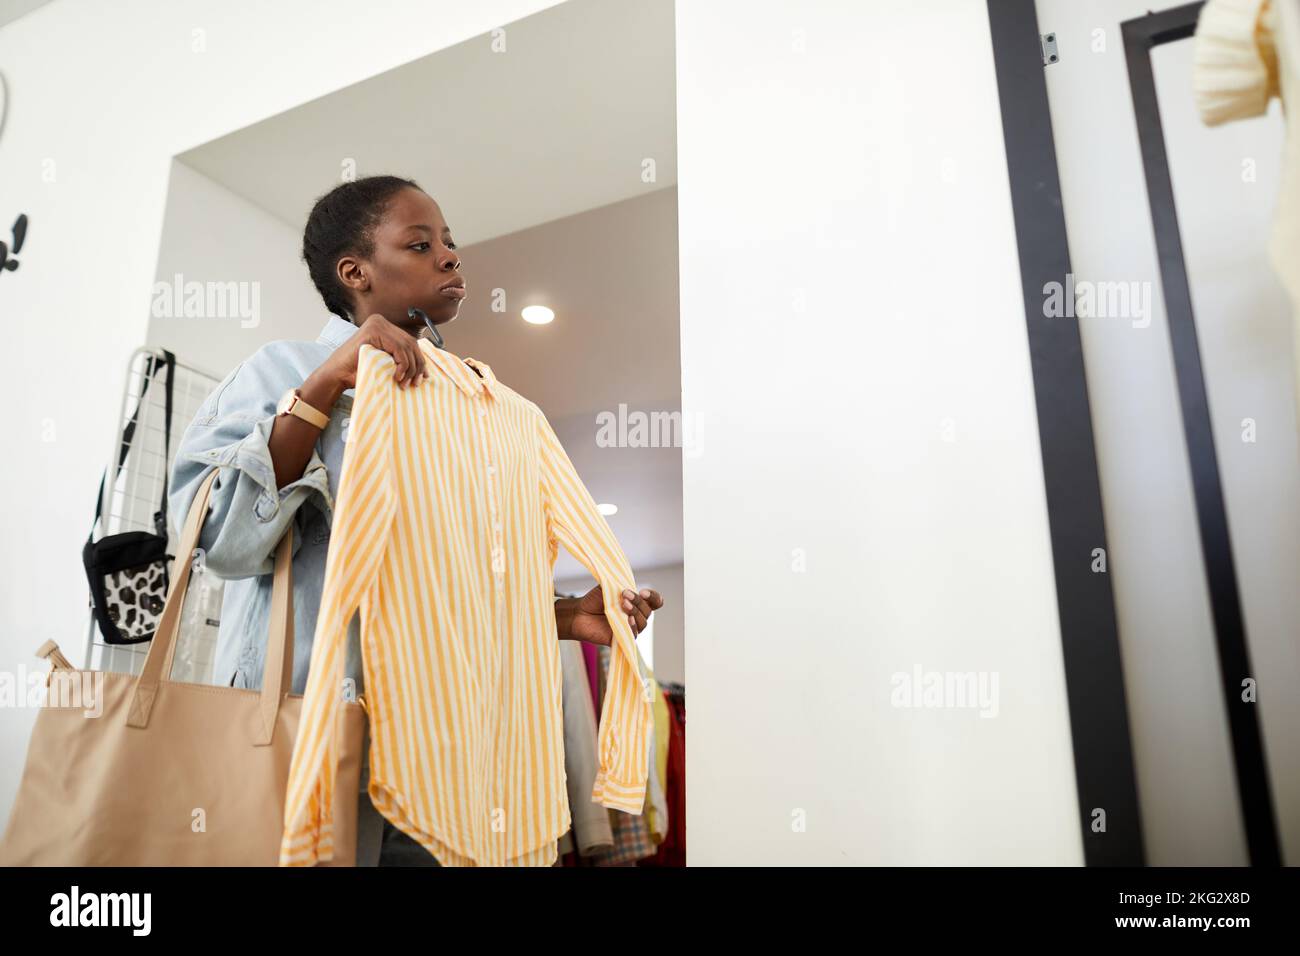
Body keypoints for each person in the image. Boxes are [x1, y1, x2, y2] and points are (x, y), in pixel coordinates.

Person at [168, 174, 662, 866]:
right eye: (422, 244)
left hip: (444, 760)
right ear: (355, 272)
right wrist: (323, 387)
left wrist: (556, 615)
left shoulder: (474, 410)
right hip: (300, 731)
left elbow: (447, 585)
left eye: (452, 244)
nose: (452, 257)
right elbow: (219, 541)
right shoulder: (282, 370)